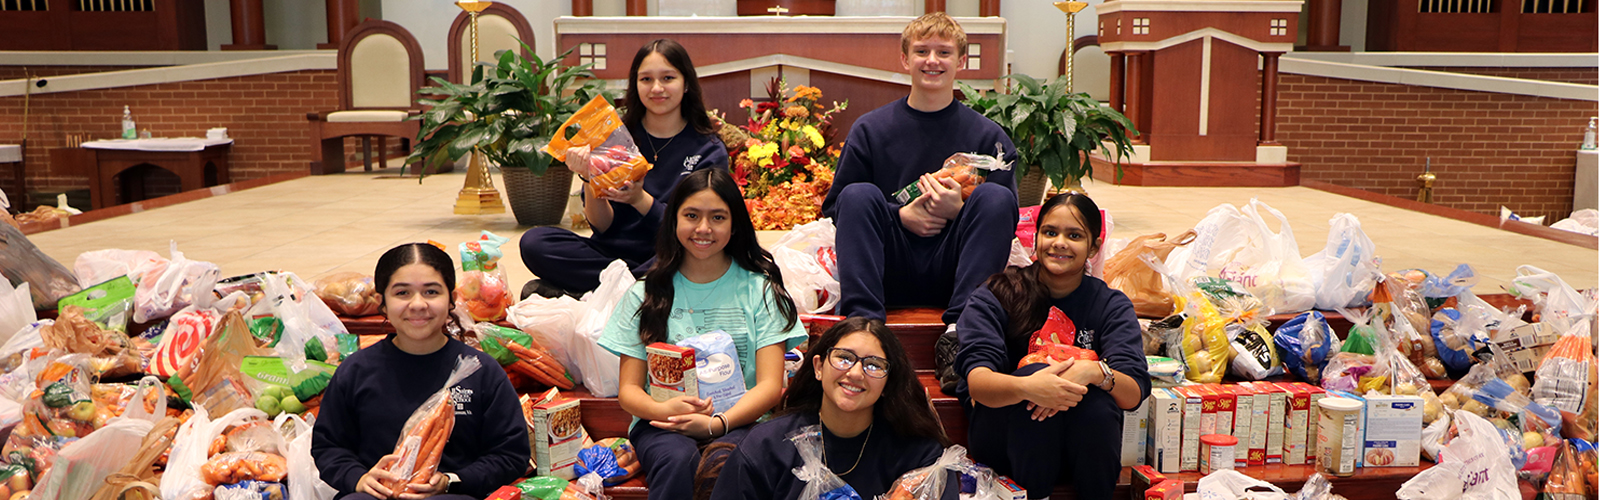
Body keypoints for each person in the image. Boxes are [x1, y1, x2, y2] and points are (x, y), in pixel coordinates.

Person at [598, 167, 807, 500]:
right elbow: (629, 392)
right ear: (674, 221)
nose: (704, 229)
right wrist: (666, 411)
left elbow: (770, 386)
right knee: (676, 458)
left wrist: (716, 424)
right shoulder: (645, 293)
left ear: (735, 223)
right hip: (662, 424)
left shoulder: (760, 290)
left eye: (718, 218)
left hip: (742, 423)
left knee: (727, 461)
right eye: (692, 215)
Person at [820, 12, 1019, 327]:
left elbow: (1005, 218)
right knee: (856, 194)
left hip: (958, 270)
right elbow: (836, 208)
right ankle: (864, 328)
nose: (932, 61)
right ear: (904, 58)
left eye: (944, 52)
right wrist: (898, 216)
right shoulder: (870, 130)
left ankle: (963, 330)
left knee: (995, 197)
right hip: (887, 265)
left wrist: (959, 211)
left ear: (961, 61)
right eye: (922, 51)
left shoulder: (989, 138)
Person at [953, 193, 1151, 499]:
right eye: (1050, 232)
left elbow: (1134, 392)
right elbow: (978, 383)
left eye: (1074, 235)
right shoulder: (998, 293)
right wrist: (1031, 387)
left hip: (1079, 448)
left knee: (1097, 405)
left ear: (1094, 247)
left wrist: (1094, 372)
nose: (1059, 243)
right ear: (1036, 239)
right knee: (1032, 374)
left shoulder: (1110, 304)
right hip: (1005, 445)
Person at [312, 243, 529, 499]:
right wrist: (358, 478)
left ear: (452, 299)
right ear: (382, 303)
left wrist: (453, 481)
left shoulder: (480, 371)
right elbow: (329, 447)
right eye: (402, 293)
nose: (417, 304)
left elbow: (510, 454)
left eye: (431, 292)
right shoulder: (356, 371)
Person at [521, 38, 729, 297]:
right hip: (610, 256)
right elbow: (603, 225)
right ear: (635, 84)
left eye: (667, 78)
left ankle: (601, 293)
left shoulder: (707, 148)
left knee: (694, 258)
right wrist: (588, 178)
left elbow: (700, 227)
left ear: (686, 83)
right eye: (646, 80)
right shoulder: (613, 136)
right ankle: (632, 290)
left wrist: (639, 199)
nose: (656, 88)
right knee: (535, 243)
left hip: (670, 253)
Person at [710, 317, 958, 500]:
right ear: (818, 367)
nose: (856, 373)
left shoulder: (920, 456)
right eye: (844, 357)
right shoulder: (766, 447)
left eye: (873, 364)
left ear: (888, 383)